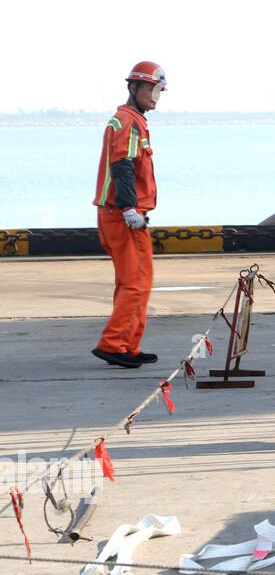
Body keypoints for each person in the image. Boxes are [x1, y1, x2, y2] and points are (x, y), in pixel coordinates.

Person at [91, 62, 166, 369]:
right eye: (152, 89)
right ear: (134, 88)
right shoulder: (128, 121)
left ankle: (127, 345)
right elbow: (122, 165)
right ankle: (112, 343)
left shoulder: (133, 120)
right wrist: (129, 209)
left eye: (159, 90)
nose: (156, 96)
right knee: (135, 282)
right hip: (123, 216)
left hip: (126, 214)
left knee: (137, 281)